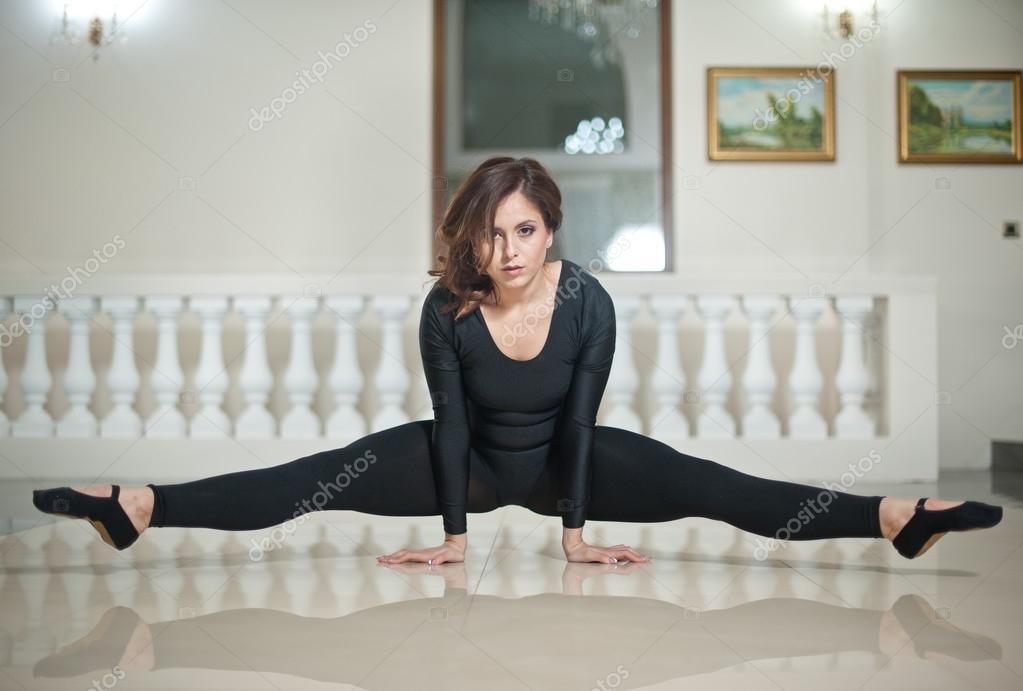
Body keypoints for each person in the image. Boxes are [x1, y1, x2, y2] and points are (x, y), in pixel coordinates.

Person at [32, 156, 1003, 563]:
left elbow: (579, 422)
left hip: (561, 463)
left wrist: (573, 532)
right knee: (312, 477)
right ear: (473, 234)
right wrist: (456, 535)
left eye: (525, 229)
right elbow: (451, 425)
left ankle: (897, 517)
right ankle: (139, 504)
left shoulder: (588, 302)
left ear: (550, 229)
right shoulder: (447, 308)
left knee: (716, 484)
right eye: (492, 231)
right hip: (461, 462)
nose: (508, 250)